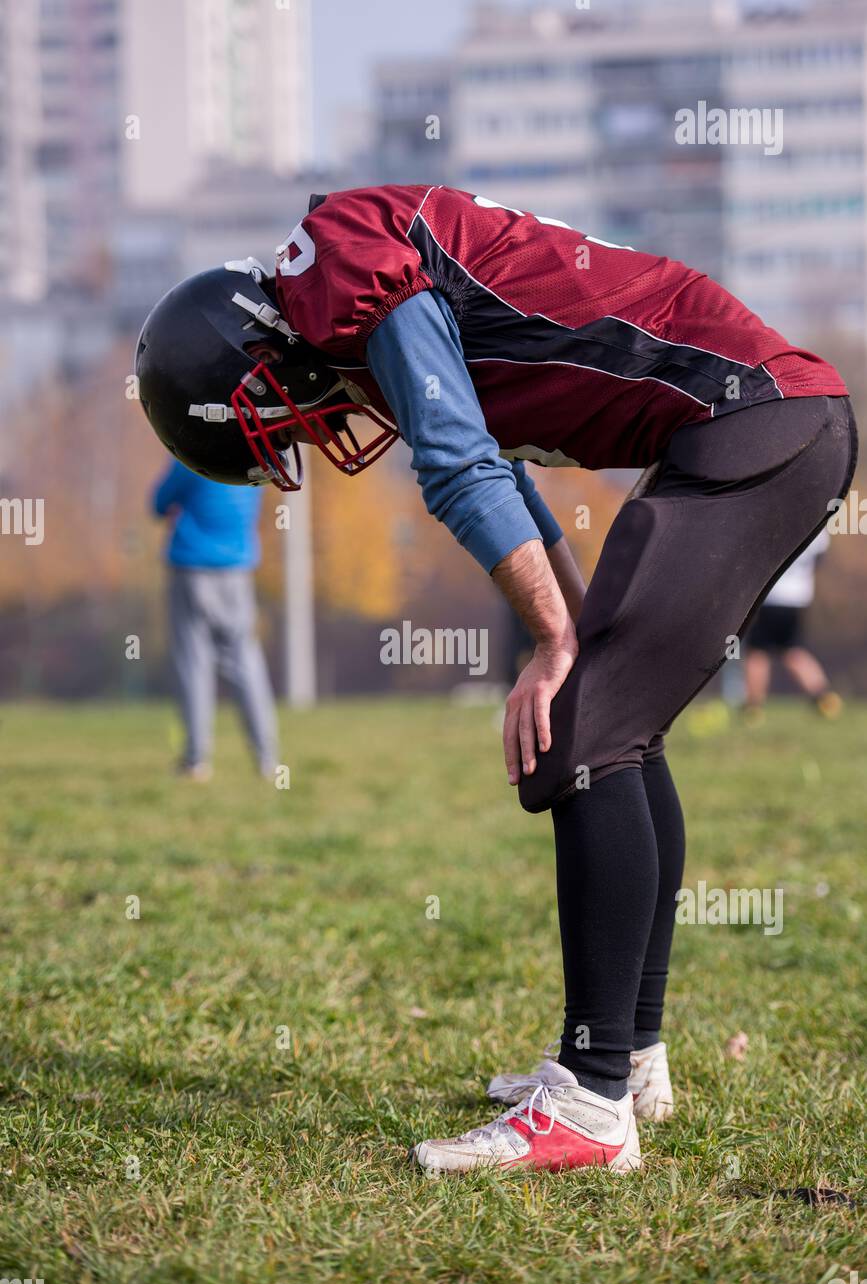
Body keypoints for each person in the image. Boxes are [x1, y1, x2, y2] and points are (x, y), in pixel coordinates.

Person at [136, 186, 856, 1174]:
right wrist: (566, 629)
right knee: (613, 722)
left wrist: (562, 648)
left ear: (260, 355)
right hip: (766, 424)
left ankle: (592, 1104)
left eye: (286, 421)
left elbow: (459, 461)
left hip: (762, 424)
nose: (314, 432)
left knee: (586, 730)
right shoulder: (364, 285)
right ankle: (630, 1056)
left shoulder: (346, 269)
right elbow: (505, 467)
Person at [152, 456, 278, 781]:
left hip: (191, 566)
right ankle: (267, 759)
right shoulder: (257, 459)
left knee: (193, 663)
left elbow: (158, 503)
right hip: (237, 570)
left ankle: (196, 761)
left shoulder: (192, 456)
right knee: (246, 664)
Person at [743, 530, 842, 721]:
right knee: (792, 650)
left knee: (757, 653)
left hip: (772, 597)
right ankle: (824, 697)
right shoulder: (820, 531)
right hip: (799, 597)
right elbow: (818, 561)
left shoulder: (782, 522)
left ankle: (752, 708)